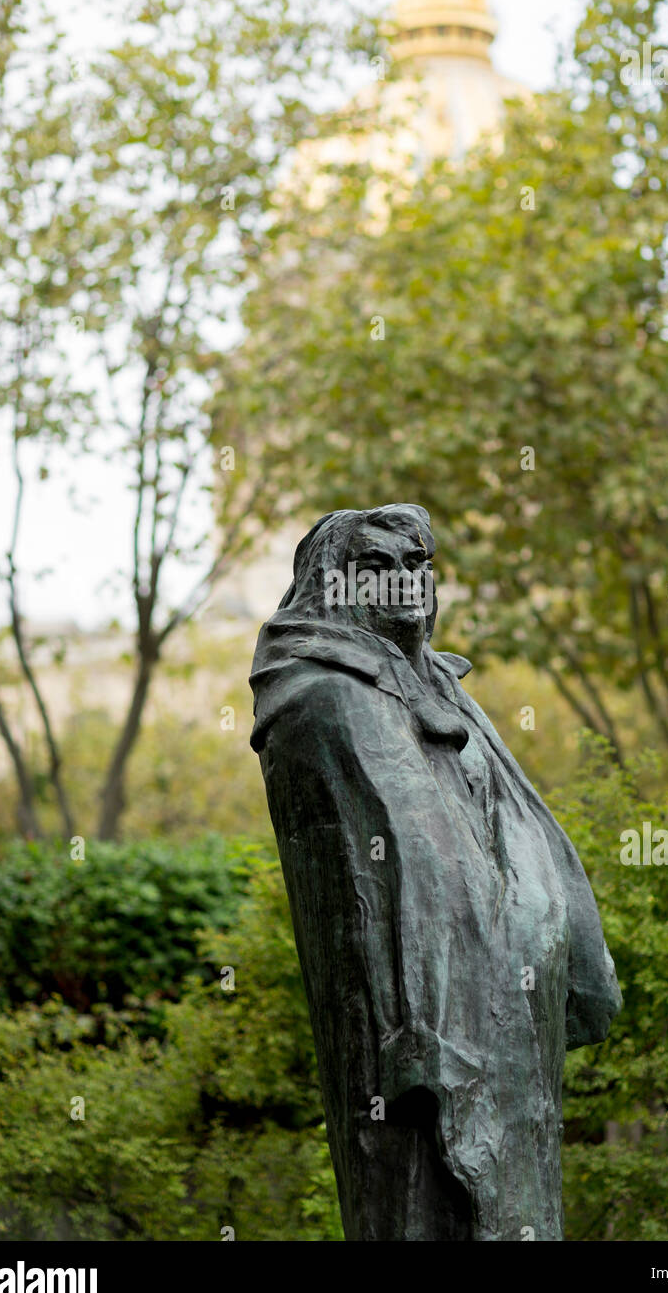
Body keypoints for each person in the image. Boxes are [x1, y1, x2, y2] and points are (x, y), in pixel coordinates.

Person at [250, 503, 621, 1240]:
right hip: (417, 1055)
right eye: (377, 568)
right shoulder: (322, 700)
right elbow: (405, 871)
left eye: (417, 564)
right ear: (335, 585)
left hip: (512, 1026)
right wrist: (428, 1030)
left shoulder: (444, 693)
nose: (405, 581)